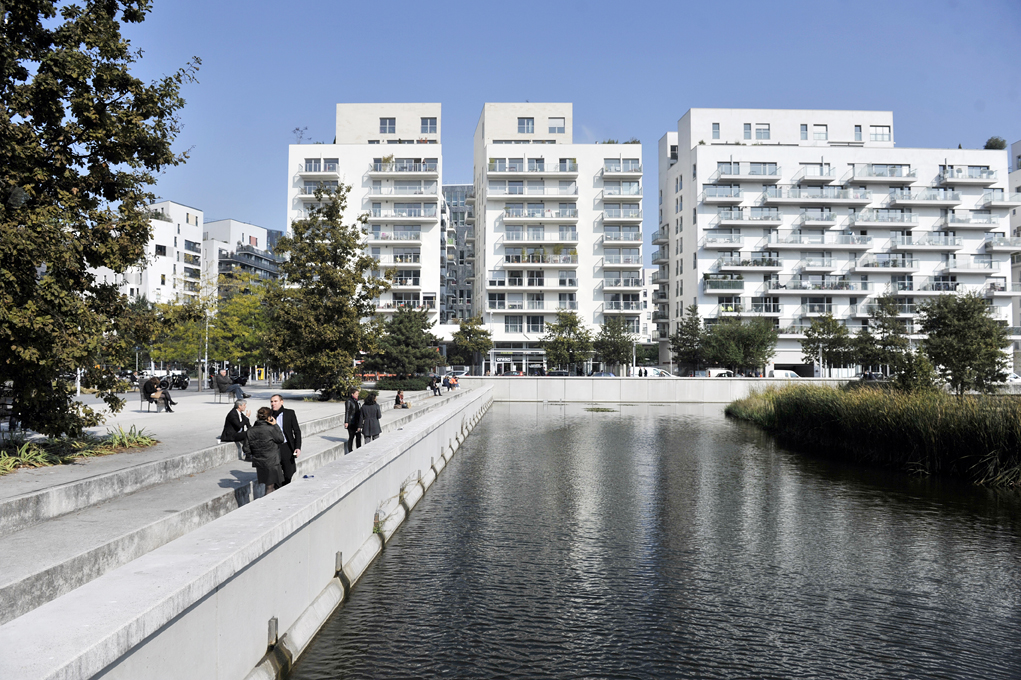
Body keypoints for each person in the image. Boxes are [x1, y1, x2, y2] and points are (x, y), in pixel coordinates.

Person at [247, 407, 285, 495]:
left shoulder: (251, 430)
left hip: (259, 461)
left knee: (268, 485)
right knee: (270, 487)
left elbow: (246, 447)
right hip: (271, 460)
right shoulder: (270, 429)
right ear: (269, 417)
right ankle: (267, 505)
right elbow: (281, 439)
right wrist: (275, 425)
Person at [269, 394, 302, 485]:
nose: (273, 404)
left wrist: (298, 447)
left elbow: (297, 431)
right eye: (271, 401)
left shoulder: (289, 413)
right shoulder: (268, 415)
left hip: (286, 446)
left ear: (281, 402)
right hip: (274, 448)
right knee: (275, 474)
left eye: (275, 401)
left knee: (289, 473)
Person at [344, 387, 362, 454]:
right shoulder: (349, 401)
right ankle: (350, 451)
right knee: (351, 437)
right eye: (356, 394)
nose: (358, 395)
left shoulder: (357, 401)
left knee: (358, 436)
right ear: (352, 394)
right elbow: (347, 411)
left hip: (357, 421)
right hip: (351, 421)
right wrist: (346, 421)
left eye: (358, 394)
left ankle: (359, 449)